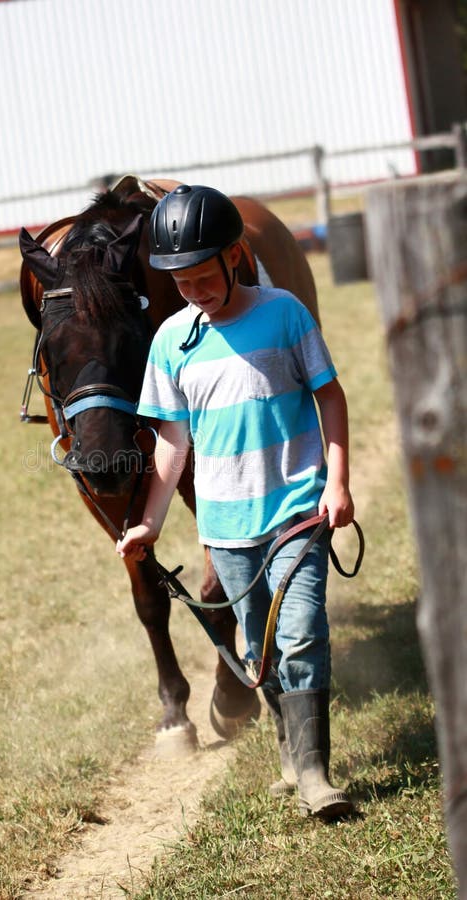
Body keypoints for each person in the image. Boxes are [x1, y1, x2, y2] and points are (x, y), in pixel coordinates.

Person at [116, 184, 355, 820]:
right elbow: (172, 444)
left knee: (302, 631)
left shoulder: (284, 315)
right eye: (181, 281)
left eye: (203, 276)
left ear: (232, 257)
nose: (194, 290)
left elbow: (330, 397)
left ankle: (313, 773)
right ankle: (288, 750)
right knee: (260, 647)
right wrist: (149, 522)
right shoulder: (170, 341)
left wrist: (337, 482)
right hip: (225, 526)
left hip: (297, 509)